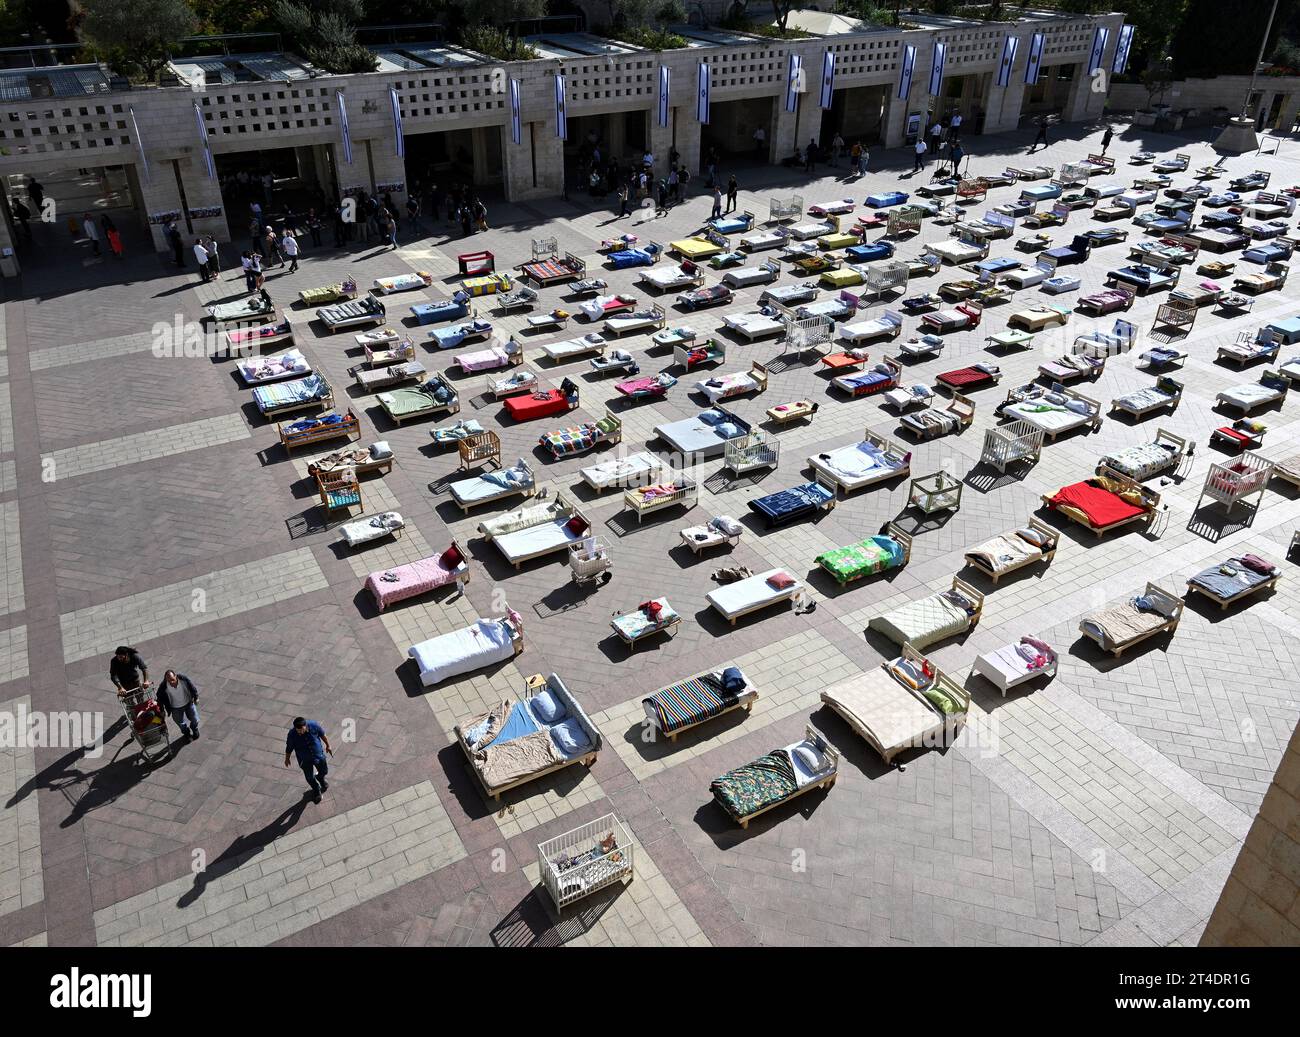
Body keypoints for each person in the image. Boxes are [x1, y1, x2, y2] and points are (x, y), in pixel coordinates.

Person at [284, 716, 332, 803]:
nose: (300, 732)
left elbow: (322, 735)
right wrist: (287, 759)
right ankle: (316, 790)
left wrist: (328, 745)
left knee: (324, 771)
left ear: (305, 726)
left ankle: (320, 778)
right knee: (309, 777)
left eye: (301, 730)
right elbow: (289, 747)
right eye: (298, 730)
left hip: (318, 756)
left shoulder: (314, 725)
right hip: (304, 760)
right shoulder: (292, 734)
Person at [156, 669, 200, 741]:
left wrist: (196, 697)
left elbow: (192, 687)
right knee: (180, 723)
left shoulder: (183, 679)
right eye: (169, 681)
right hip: (175, 707)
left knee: (195, 719)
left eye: (172, 679)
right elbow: (159, 699)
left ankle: (194, 728)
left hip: (188, 703)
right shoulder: (163, 687)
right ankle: (186, 733)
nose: (171, 682)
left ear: (176, 676)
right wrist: (162, 710)